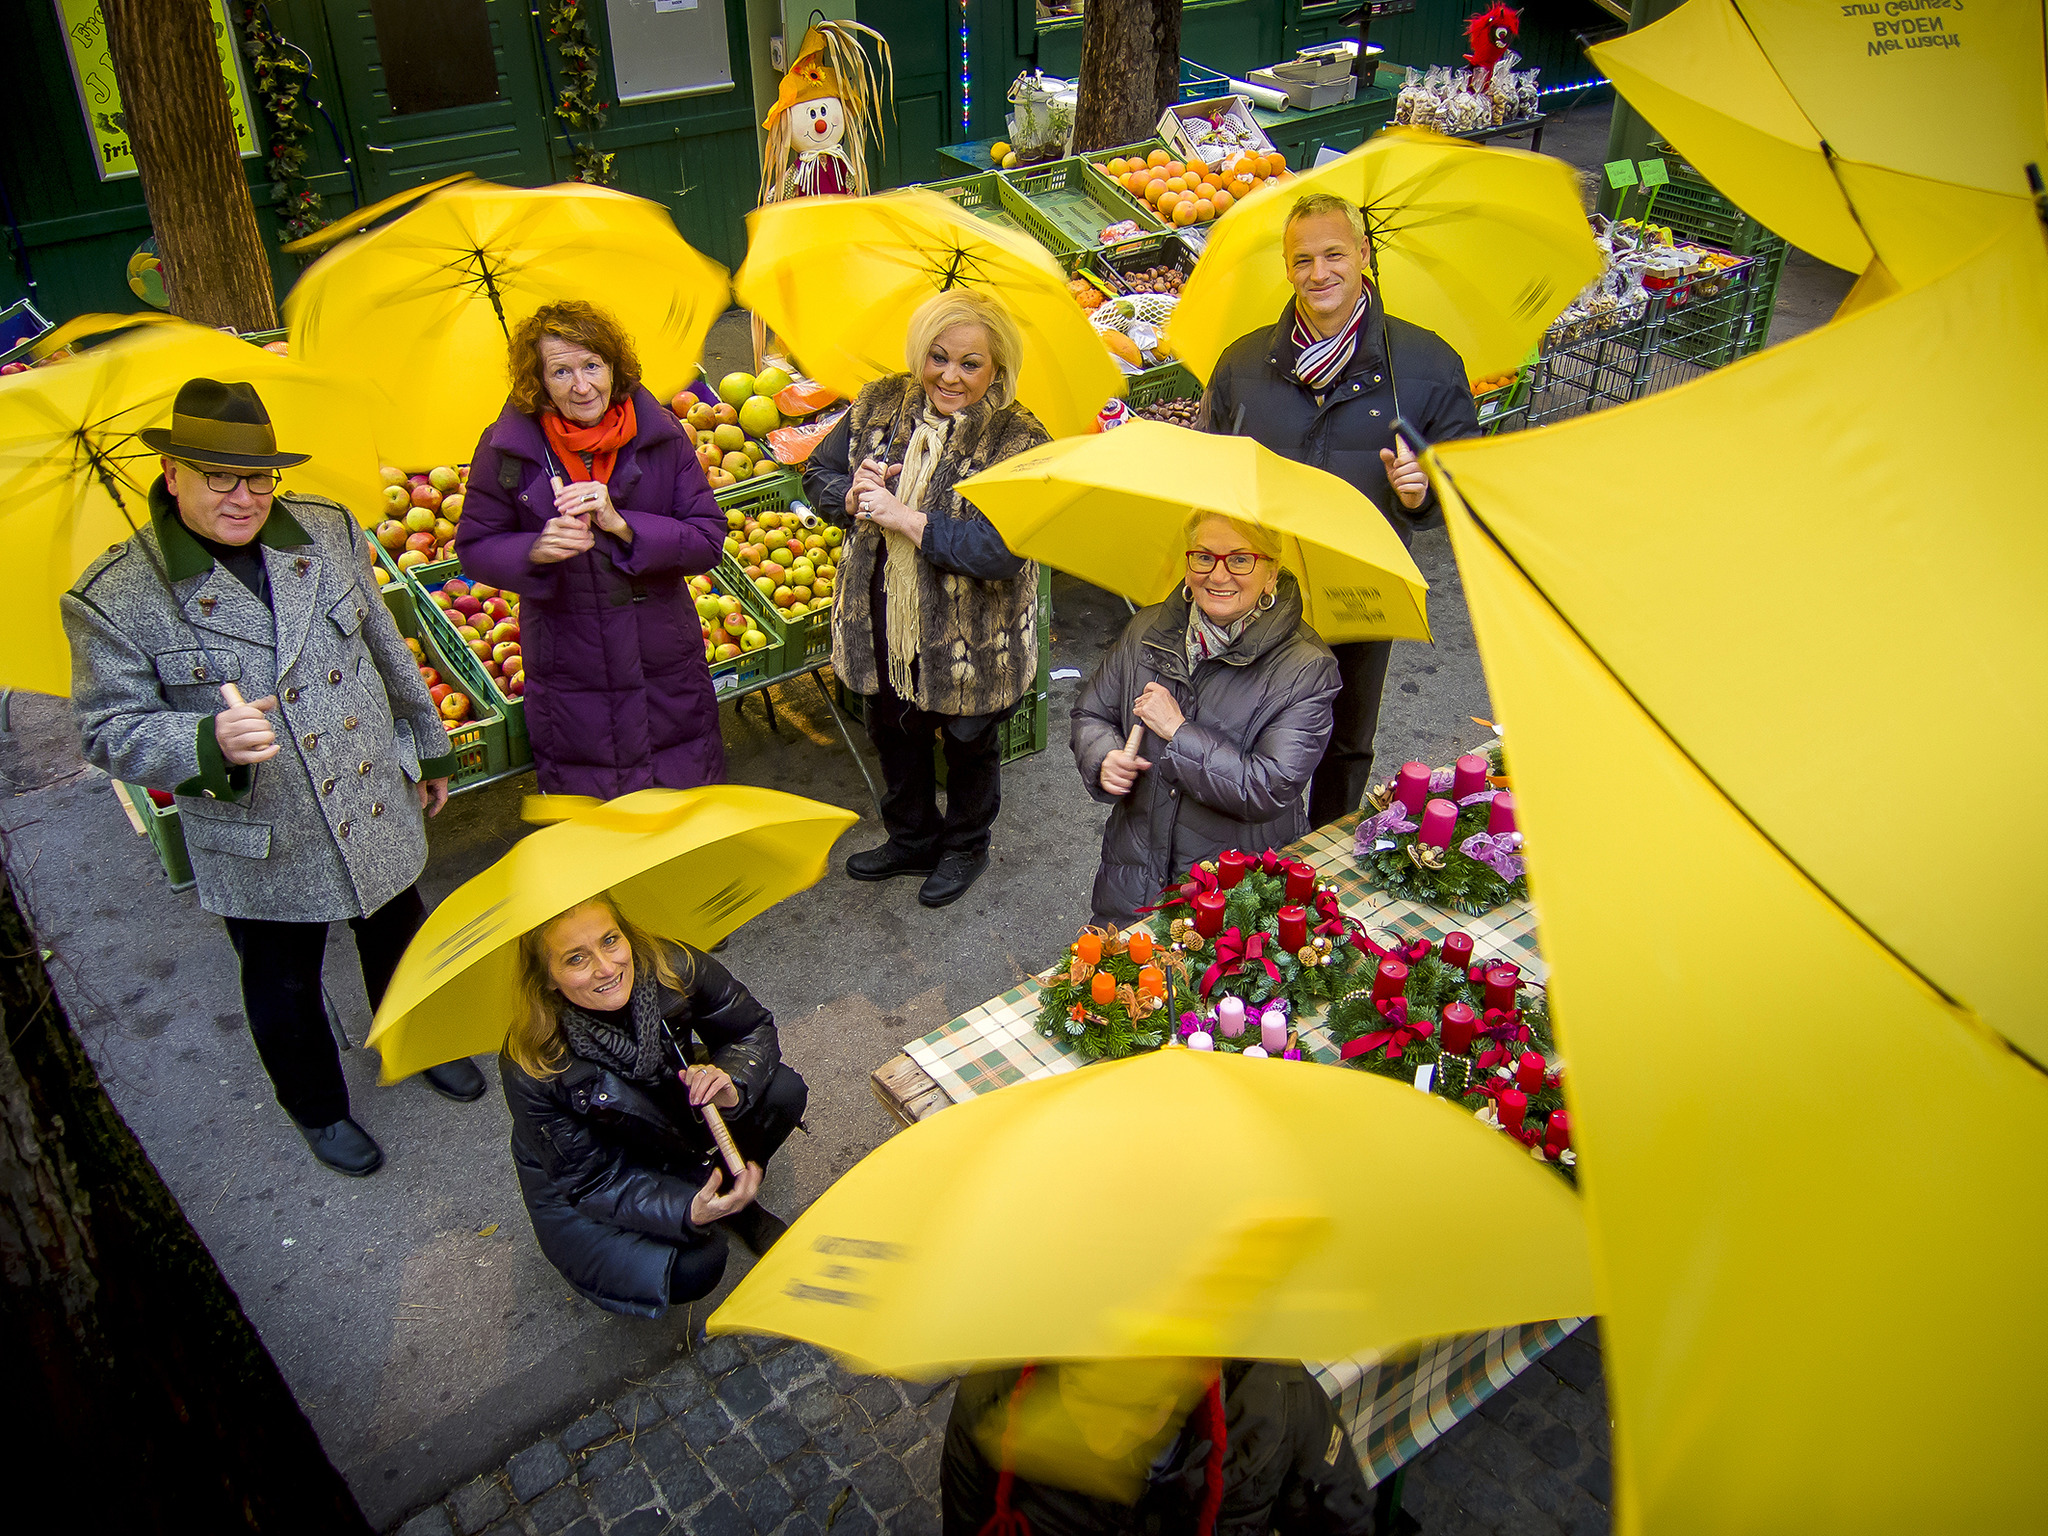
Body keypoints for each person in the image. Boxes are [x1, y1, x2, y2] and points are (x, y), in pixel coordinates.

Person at [63, 378, 485, 1178]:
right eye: (218, 476)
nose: (243, 496)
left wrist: (427, 748)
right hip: (261, 829)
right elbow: (105, 730)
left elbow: (385, 646)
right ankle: (317, 1108)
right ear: (173, 474)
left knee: (398, 928)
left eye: (258, 477)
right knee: (283, 978)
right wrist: (203, 737)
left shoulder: (325, 532)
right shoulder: (115, 596)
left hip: (366, 787)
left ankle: (419, 1036)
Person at [1201, 193, 1479, 827]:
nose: (1319, 273)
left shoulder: (1425, 366)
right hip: (1258, 586)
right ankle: (1245, 868)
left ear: (1363, 255)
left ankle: (1319, 863)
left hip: (1362, 583)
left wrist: (1422, 491)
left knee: (1344, 743)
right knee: (1245, 734)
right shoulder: (1242, 366)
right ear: (1287, 264)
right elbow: (1211, 468)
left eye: (1334, 255)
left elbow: (1466, 473)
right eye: (1302, 259)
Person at [802, 289, 1049, 908]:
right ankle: (911, 836)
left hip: (975, 638)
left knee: (968, 741)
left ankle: (966, 843)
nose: (950, 375)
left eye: (971, 363)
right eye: (938, 357)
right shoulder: (881, 404)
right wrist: (853, 494)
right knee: (894, 729)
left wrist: (908, 519)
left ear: (997, 368)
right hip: (882, 615)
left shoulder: (1016, 439)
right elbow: (818, 472)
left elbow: (1001, 550)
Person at [455, 299, 727, 797]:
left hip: (663, 660)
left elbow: (707, 539)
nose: (581, 386)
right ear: (538, 380)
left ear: (613, 366)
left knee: (683, 809)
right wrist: (535, 548)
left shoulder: (660, 436)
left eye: (592, 366)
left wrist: (621, 523)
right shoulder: (508, 449)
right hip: (569, 668)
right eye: (560, 371)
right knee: (597, 826)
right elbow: (474, 547)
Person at [499, 893, 806, 1317]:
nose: (606, 969)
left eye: (610, 940)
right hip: (590, 1176)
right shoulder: (533, 1062)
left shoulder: (672, 966)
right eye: (575, 959)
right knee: (698, 1264)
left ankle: (733, 1200)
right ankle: (707, 1196)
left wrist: (730, 1082)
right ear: (548, 978)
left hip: (670, 1123)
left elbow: (750, 1029)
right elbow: (594, 1181)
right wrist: (685, 1209)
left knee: (782, 1091)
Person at [1070, 513, 1340, 925]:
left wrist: (1179, 733)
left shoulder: (1307, 668)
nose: (1218, 575)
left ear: (1271, 575)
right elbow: (1092, 712)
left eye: (1239, 560)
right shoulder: (1148, 629)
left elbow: (1267, 787)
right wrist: (1103, 756)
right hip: (1132, 878)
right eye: (1203, 557)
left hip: (1233, 897)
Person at [940, 1358, 1373, 1534]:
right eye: (1078, 1390)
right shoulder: (992, 1399)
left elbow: (1343, 1520)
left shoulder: (1278, 1412)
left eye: (1141, 1406)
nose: (1104, 1438)